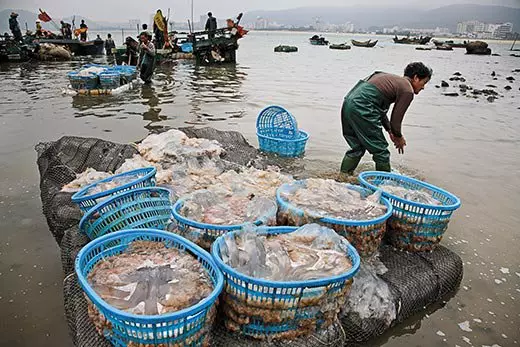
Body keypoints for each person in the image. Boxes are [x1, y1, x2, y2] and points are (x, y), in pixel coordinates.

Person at [340, 62, 432, 174]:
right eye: (424, 82)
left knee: (357, 147)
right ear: (416, 78)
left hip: (348, 103)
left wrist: (389, 131)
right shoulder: (407, 90)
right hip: (362, 108)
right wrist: (398, 136)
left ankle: (342, 178)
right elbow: (396, 120)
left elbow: (380, 111)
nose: (423, 87)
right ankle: (384, 185)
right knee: (381, 152)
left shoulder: (390, 80)